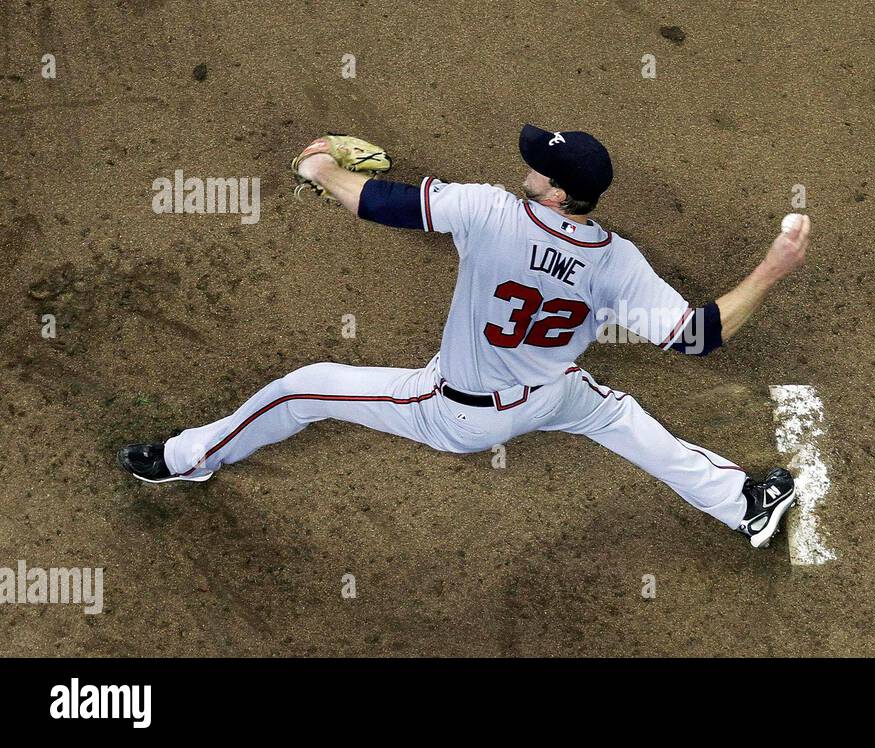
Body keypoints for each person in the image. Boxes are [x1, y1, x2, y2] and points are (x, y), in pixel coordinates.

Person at [118, 125, 811, 548]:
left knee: (302, 390)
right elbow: (698, 336)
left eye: (541, 165)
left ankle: (184, 459)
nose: (530, 165)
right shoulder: (617, 259)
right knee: (615, 413)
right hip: (548, 391)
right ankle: (744, 505)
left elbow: (377, 202)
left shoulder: (489, 211)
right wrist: (772, 268)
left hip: (457, 411)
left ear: (558, 194)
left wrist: (321, 166)